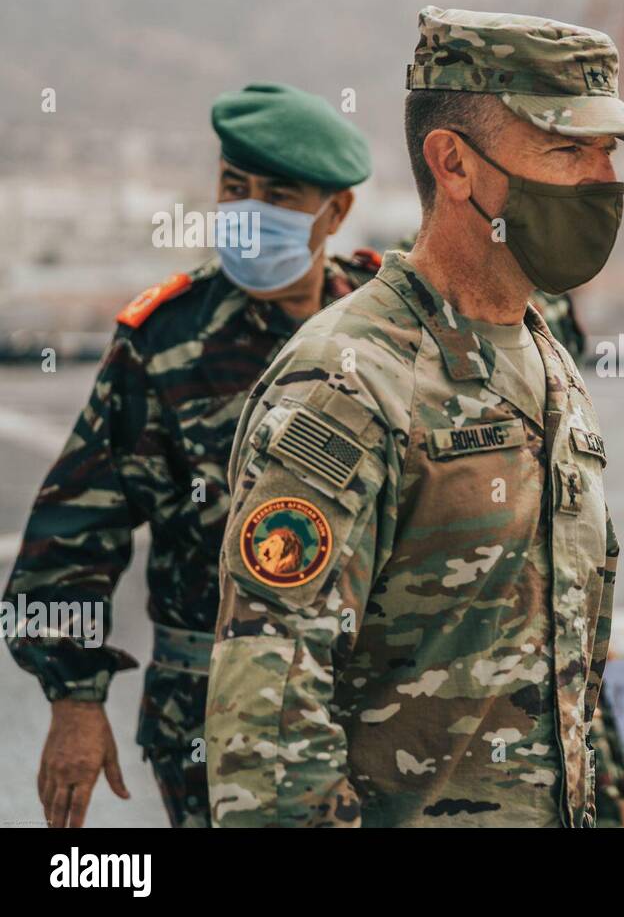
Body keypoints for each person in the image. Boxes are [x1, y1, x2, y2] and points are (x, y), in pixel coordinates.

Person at [205, 6, 624, 827]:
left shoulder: (544, 355)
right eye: (565, 149)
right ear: (453, 164)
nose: (600, 180)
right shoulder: (349, 383)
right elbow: (268, 724)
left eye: (608, 152)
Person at [2, 82, 377, 828]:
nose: (248, 211)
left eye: (279, 194)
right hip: (210, 715)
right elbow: (70, 537)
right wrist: (74, 702)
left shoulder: (383, 328)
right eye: (234, 187)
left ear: (335, 213)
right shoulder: (163, 341)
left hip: (367, 709)